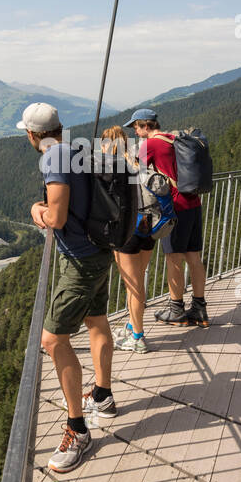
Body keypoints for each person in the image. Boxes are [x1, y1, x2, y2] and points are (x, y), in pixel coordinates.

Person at [19, 103, 116, 472]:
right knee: (97, 321)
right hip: (100, 249)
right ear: (60, 127)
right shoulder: (79, 148)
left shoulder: (53, 158)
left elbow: (55, 217)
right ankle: (103, 396)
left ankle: (78, 430)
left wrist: (35, 210)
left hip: (80, 259)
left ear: (31, 135)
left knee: (53, 340)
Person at [124, 109, 208, 327]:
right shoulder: (174, 138)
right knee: (194, 257)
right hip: (193, 202)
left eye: (135, 127)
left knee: (173, 258)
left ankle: (176, 309)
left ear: (145, 126)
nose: (135, 131)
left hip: (175, 207)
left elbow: (136, 173)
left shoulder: (150, 144)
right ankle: (199, 309)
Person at [101, 125, 153, 354]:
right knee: (138, 280)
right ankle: (132, 325)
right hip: (148, 226)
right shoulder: (138, 162)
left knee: (132, 286)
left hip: (126, 232)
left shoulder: (110, 168)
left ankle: (138, 338)